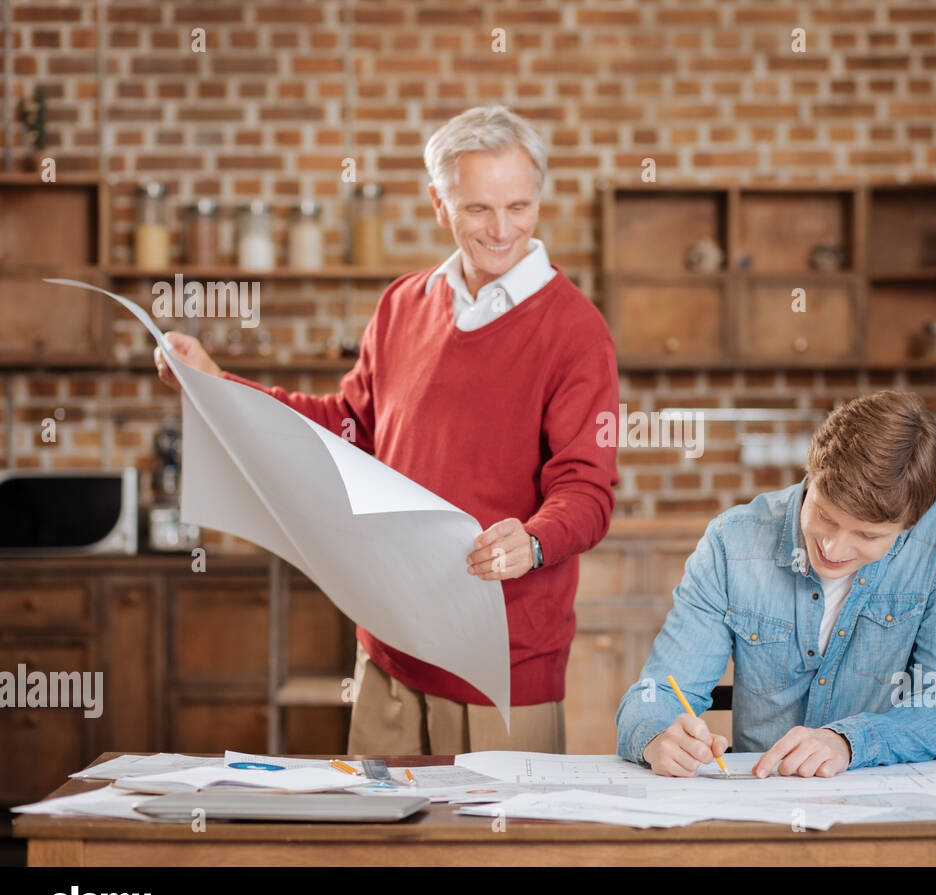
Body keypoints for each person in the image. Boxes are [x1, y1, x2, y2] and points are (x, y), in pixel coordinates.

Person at [155, 105, 619, 755]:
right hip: (388, 652)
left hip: (501, 667)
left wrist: (533, 542)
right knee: (375, 852)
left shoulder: (576, 332)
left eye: (520, 206)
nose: (502, 229)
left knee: (500, 856)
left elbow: (588, 491)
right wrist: (215, 384)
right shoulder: (403, 304)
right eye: (479, 209)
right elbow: (345, 426)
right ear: (439, 204)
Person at [616, 390, 936, 778]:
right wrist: (658, 737)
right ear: (812, 474)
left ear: (910, 524)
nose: (833, 547)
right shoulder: (732, 543)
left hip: (887, 802)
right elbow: (655, 693)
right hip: (764, 806)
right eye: (825, 516)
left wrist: (849, 742)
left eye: (866, 536)